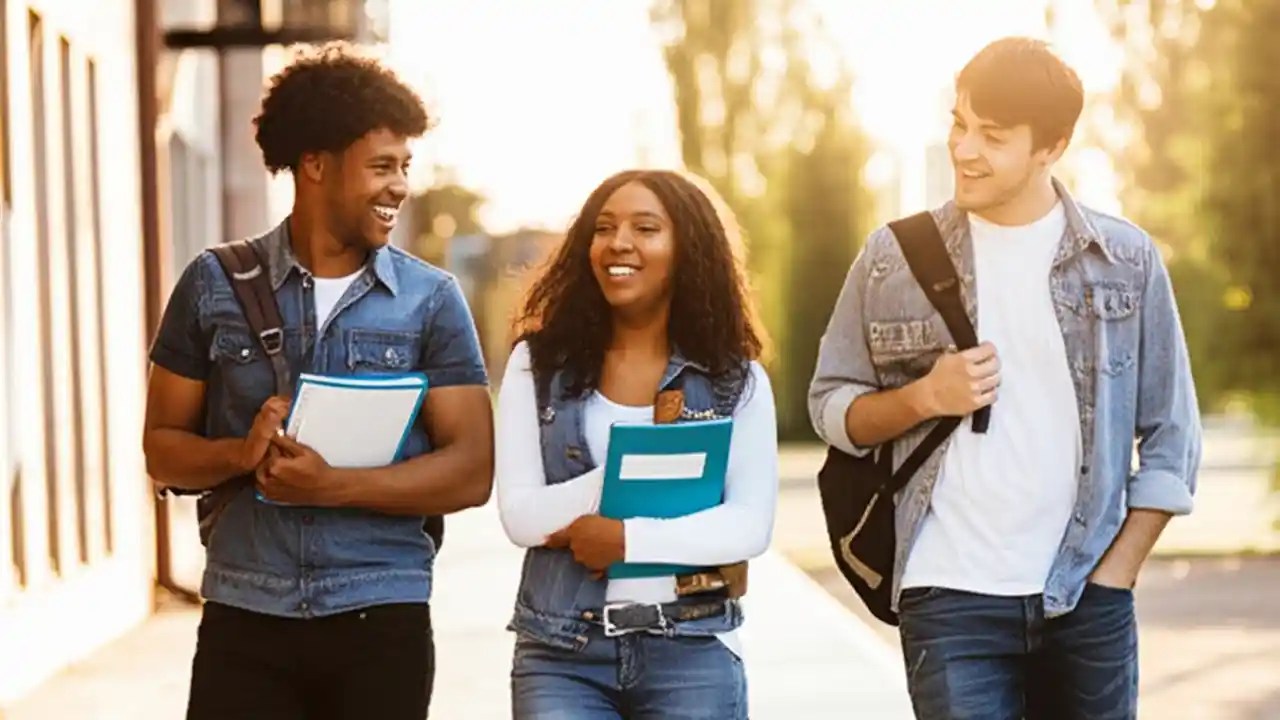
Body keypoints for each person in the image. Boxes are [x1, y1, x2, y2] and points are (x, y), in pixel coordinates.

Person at [808, 37, 1201, 719]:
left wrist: (1117, 574)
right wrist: (924, 397)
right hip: (949, 595)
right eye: (958, 123)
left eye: (991, 136)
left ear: (1051, 146)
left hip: (1085, 593)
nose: (964, 150)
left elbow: (1172, 436)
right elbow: (830, 406)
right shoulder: (893, 257)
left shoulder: (1124, 260)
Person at [142, 42, 493, 720]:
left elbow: (472, 471)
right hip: (245, 614)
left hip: (380, 616)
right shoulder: (212, 285)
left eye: (405, 167)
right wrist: (235, 456)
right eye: (381, 166)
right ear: (315, 165)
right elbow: (161, 448)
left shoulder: (430, 300)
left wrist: (335, 485)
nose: (399, 186)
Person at [494, 169, 778, 719]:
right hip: (561, 656)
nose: (618, 242)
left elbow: (747, 525)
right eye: (604, 228)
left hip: (692, 652)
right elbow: (522, 516)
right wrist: (630, 479)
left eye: (645, 228)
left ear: (687, 250)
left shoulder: (734, 381)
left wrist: (625, 539)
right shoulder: (538, 364)